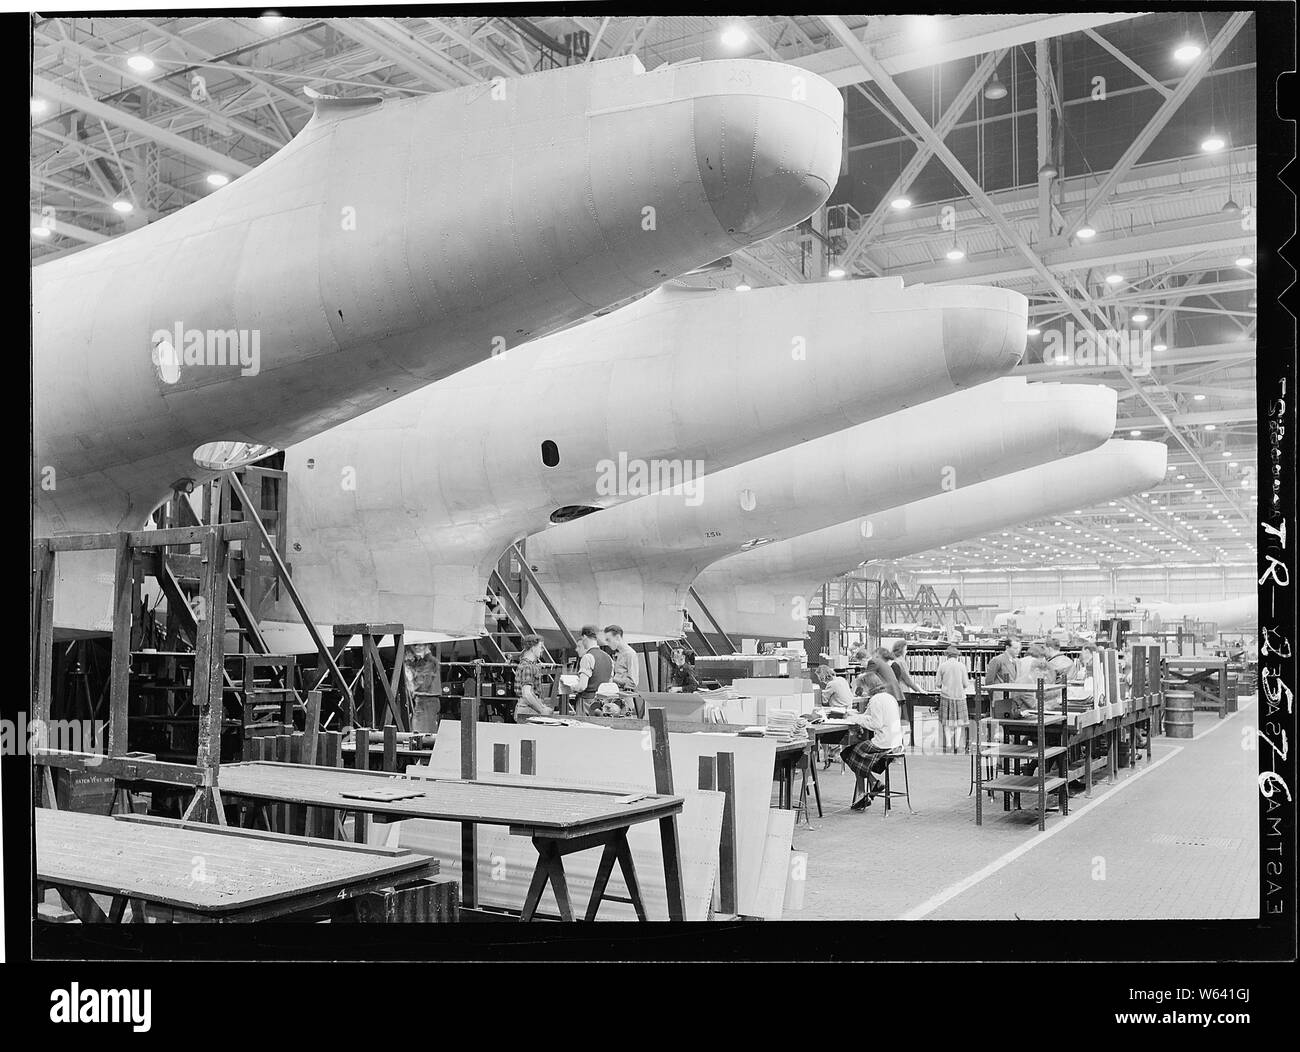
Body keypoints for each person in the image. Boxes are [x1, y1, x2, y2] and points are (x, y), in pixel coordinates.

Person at [841, 682, 903, 810]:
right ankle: (868, 787)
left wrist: (854, 719)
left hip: (884, 743)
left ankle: (868, 787)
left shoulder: (875, 700)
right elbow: (867, 716)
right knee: (857, 753)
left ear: (868, 687)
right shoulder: (888, 697)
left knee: (848, 753)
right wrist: (857, 718)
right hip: (895, 742)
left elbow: (876, 724)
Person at [935, 645, 972, 753]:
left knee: (946, 723)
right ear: (957, 655)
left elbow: (937, 684)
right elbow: (965, 684)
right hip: (960, 697)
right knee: (958, 723)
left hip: (946, 696)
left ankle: (948, 744)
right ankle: (956, 745)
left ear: (947, 655)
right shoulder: (961, 666)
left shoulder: (942, 666)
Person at [571, 624, 614, 715]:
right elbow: (610, 683)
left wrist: (573, 687)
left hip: (587, 703)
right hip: (603, 703)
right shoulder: (608, 658)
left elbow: (582, 686)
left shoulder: (588, 657)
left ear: (584, 637)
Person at [512, 634, 553, 723]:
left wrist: (542, 706)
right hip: (528, 710)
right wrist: (542, 710)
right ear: (533, 647)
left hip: (528, 709)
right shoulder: (528, 667)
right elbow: (527, 694)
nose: (542, 650)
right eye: (541, 647)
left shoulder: (528, 665)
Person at [603, 624, 638, 691]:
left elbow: (633, 682)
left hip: (625, 695)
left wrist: (612, 678)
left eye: (608, 640)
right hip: (615, 692)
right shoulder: (618, 653)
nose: (607, 643)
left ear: (617, 637)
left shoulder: (630, 654)